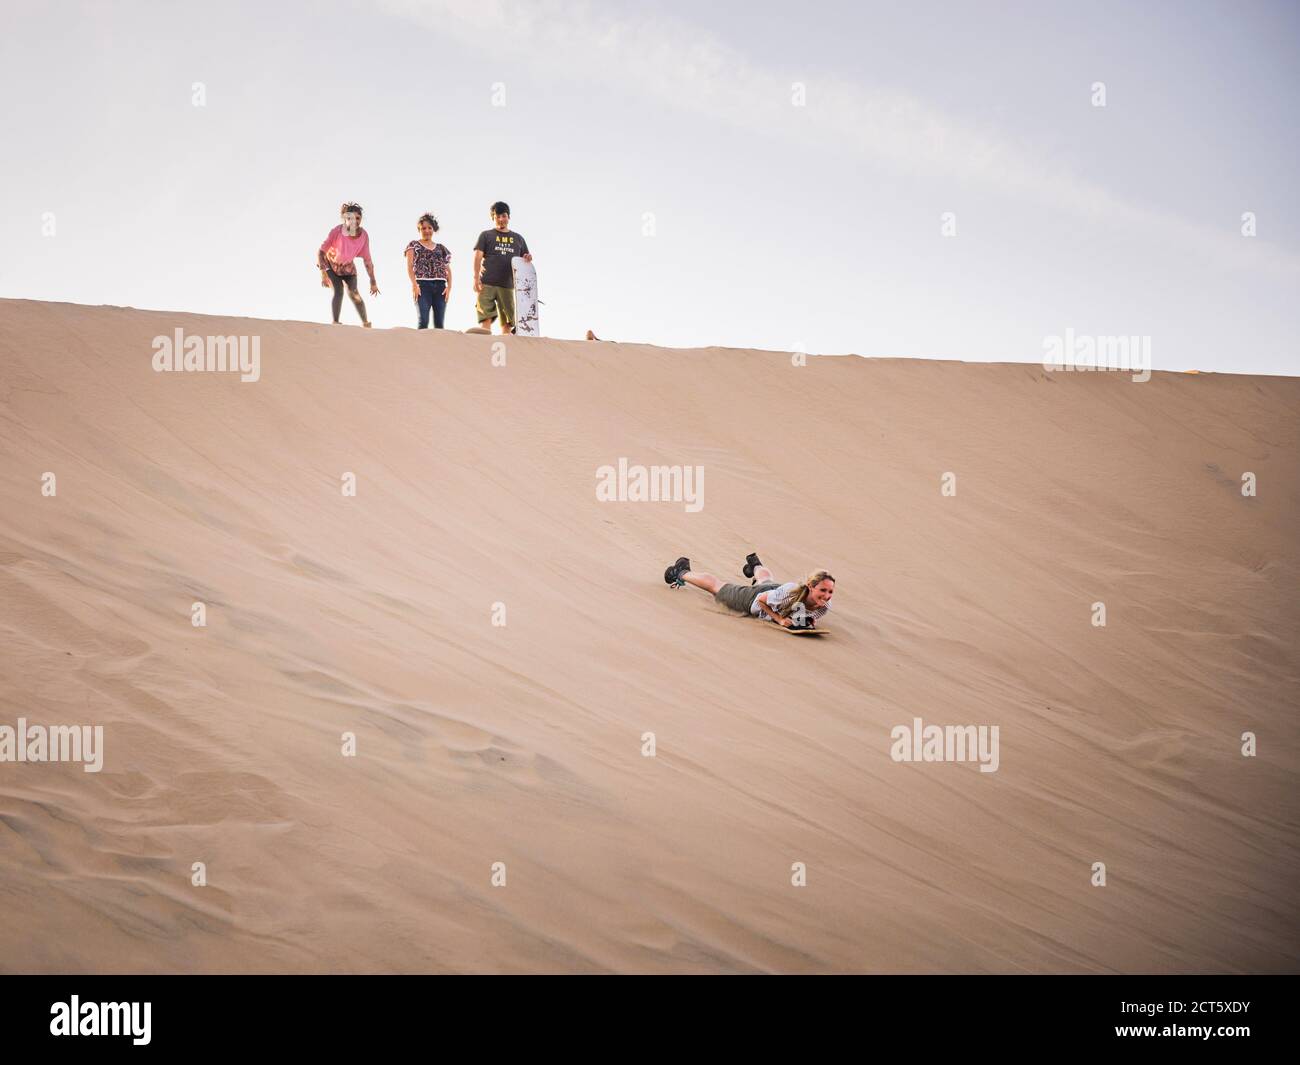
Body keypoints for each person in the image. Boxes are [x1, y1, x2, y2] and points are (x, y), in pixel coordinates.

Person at [663, 553, 835, 628]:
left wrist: (807, 622)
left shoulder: (824, 607)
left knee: (766, 581)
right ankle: (680, 571)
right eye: (823, 590)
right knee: (717, 587)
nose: (826, 596)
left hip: (774, 591)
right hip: (753, 599)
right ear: (811, 586)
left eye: (830, 592)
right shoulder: (791, 591)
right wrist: (780, 619)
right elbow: (762, 600)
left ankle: (755, 565)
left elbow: (800, 613)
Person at [472, 201, 532, 334]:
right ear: (493, 218)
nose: (501, 219)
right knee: (485, 316)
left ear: (508, 217)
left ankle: (507, 343)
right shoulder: (486, 235)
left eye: (503, 216)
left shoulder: (518, 238)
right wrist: (476, 278)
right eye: (497, 216)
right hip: (487, 282)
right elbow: (477, 256)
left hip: (507, 284)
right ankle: (484, 339)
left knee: (507, 321)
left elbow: (524, 259)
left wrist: (528, 257)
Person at [318, 201, 379, 327]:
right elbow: (321, 252)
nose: (354, 221)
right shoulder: (337, 231)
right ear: (345, 219)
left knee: (354, 293)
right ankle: (335, 322)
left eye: (358, 218)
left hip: (348, 268)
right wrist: (323, 273)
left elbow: (367, 261)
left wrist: (373, 281)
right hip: (331, 264)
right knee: (338, 290)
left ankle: (366, 323)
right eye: (350, 218)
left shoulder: (363, 236)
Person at [405, 213, 453, 329]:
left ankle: (439, 347)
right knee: (423, 321)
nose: (427, 231)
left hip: (441, 286)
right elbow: (410, 267)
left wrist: (449, 287)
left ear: (433, 229)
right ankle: (420, 347)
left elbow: (448, 270)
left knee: (439, 324)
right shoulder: (413, 245)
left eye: (429, 228)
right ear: (419, 230)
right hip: (422, 286)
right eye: (423, 228)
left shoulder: (441, 248)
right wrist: (415, 285)